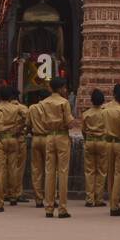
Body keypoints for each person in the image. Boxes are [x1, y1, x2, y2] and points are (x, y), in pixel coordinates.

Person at [40, 77, 73, 218]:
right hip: (62, 137)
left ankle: (48, 207)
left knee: (49, 172)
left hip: (49, 136)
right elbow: (70, 123)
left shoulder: (43, 103)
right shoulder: (64, 102)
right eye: (64, 87)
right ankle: (62, 208)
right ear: (60, 88)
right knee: (63, 172)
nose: (65, 90)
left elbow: (42, 122)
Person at [102, 84, 120, 216]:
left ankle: (112, 203)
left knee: (110, 174)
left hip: (107, 142)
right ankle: (114, 205)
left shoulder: (105, 108)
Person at [81, 89, 107, 206]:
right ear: (103, 101)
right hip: (102, 141)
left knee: (89, 171)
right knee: (101, 171)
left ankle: (89, 198)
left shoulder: (86, 114)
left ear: (91, 100)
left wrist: (87, 138)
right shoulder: (105, 113)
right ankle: (99, 198)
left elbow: (83, 130)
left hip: (90, 141)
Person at [26, 90, 49, 207]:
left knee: (36, 170)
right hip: (48, 139)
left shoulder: (32, 108)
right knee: (50, 169)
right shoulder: (51, 108)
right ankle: (50, 197)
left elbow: (28, 125)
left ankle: (38, 199)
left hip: (36, 138)